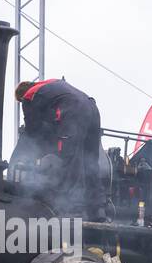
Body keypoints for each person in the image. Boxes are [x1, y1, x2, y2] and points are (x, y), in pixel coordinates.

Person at [12, 78, 107, 220]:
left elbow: (32, 130)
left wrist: (22, 157)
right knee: (91, 162)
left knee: (69, 159)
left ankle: (70, 210)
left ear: (21, 97)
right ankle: (98, 210)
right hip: (92, 109)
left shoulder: (29, 96)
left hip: (74, 111)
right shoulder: (51, 86)